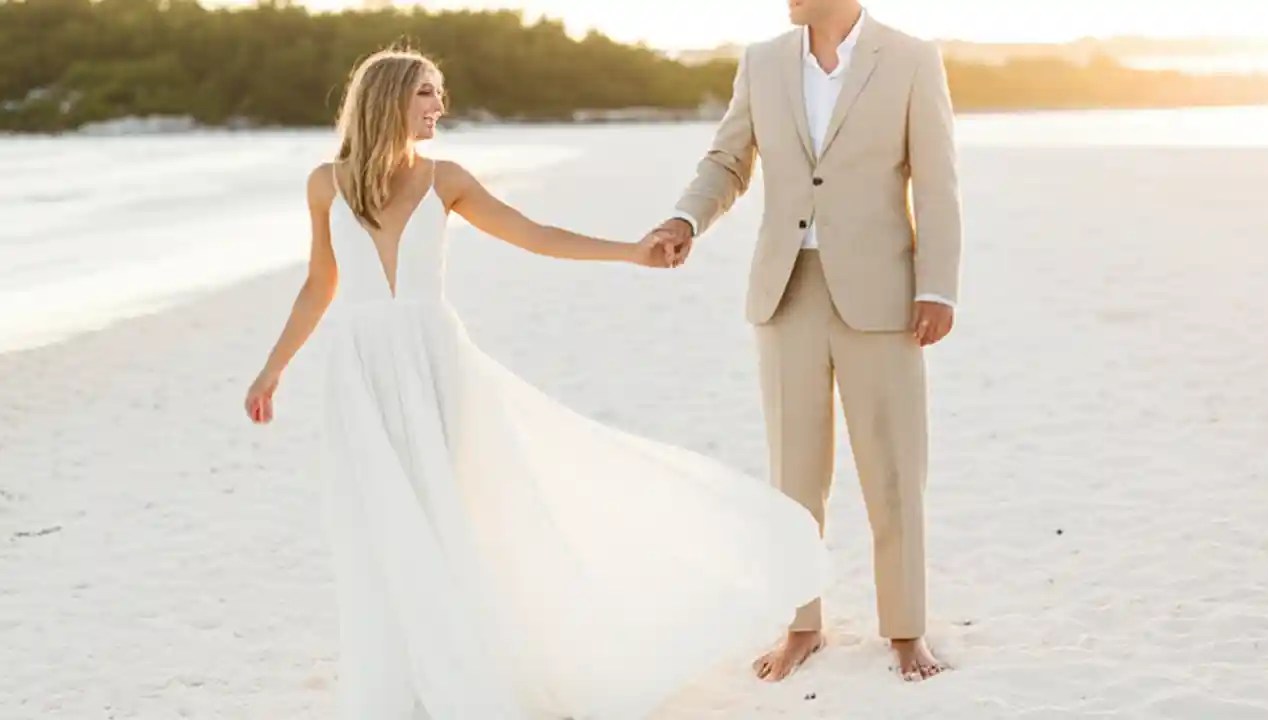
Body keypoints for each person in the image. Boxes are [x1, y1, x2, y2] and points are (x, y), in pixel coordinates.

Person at [243, 48, 826, 719]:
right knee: (375, 522)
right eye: (426, 93)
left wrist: (629, 252)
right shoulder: (326, 184)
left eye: (439, 93)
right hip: (360, 368)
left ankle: (459, 671)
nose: (439, 106)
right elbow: (322, 284)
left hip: (432, 359)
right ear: (388, 99)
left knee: (442, 511)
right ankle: (399, 680)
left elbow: (534, 235)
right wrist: (274, 366)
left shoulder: (446, 179)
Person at [646, 0, 962, 683]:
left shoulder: (910, 58)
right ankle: (802, 624)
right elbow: (727, 161)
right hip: (785, 288)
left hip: (883, 293)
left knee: (894, 468)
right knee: (794, 472)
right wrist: (684, 219)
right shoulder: (762, 62)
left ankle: (906, 630)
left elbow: (936, 184)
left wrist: (938, 287)